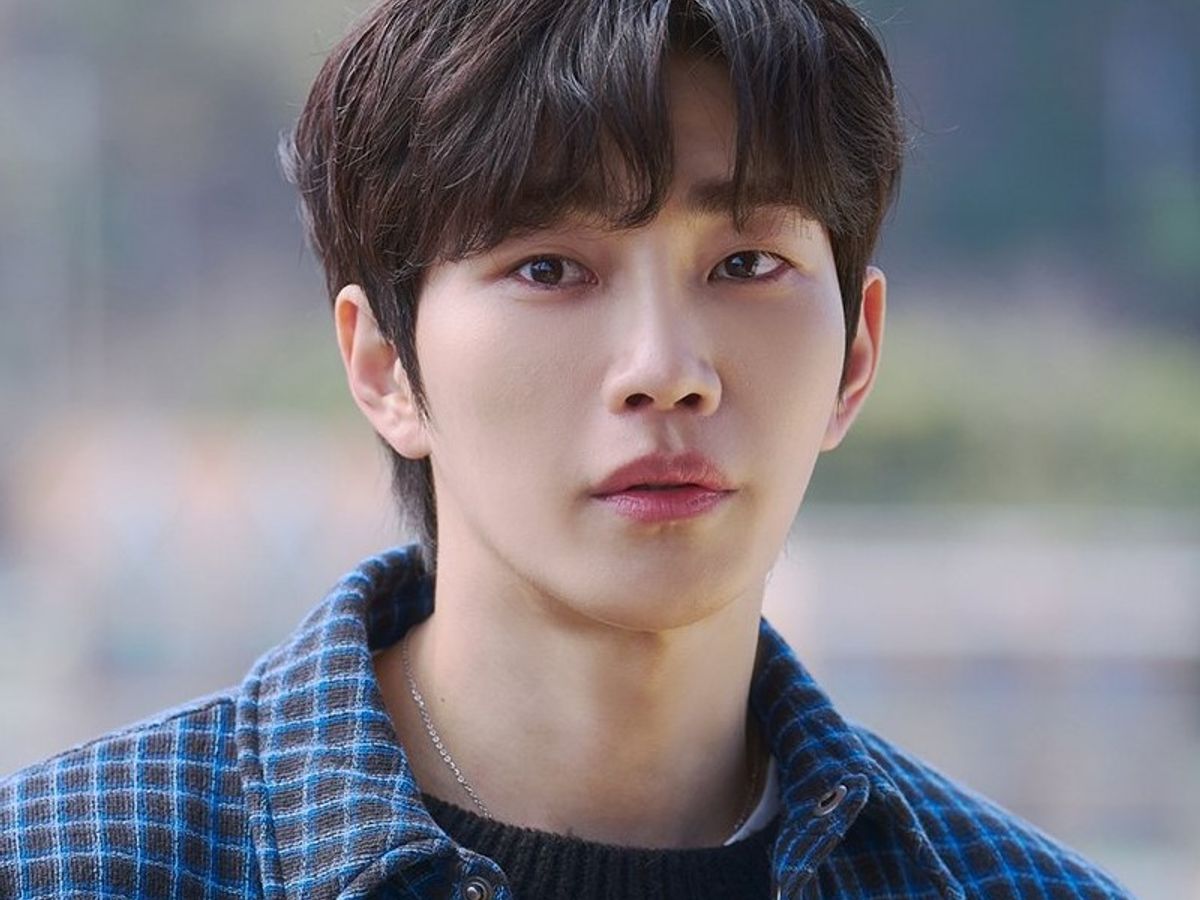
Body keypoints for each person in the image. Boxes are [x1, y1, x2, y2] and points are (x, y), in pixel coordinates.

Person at [0, 1, 1132, 897]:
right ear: (385, 365)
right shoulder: (68, 867)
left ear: (857, 353)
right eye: (549, 269)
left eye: (745, 265)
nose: (666, 367)